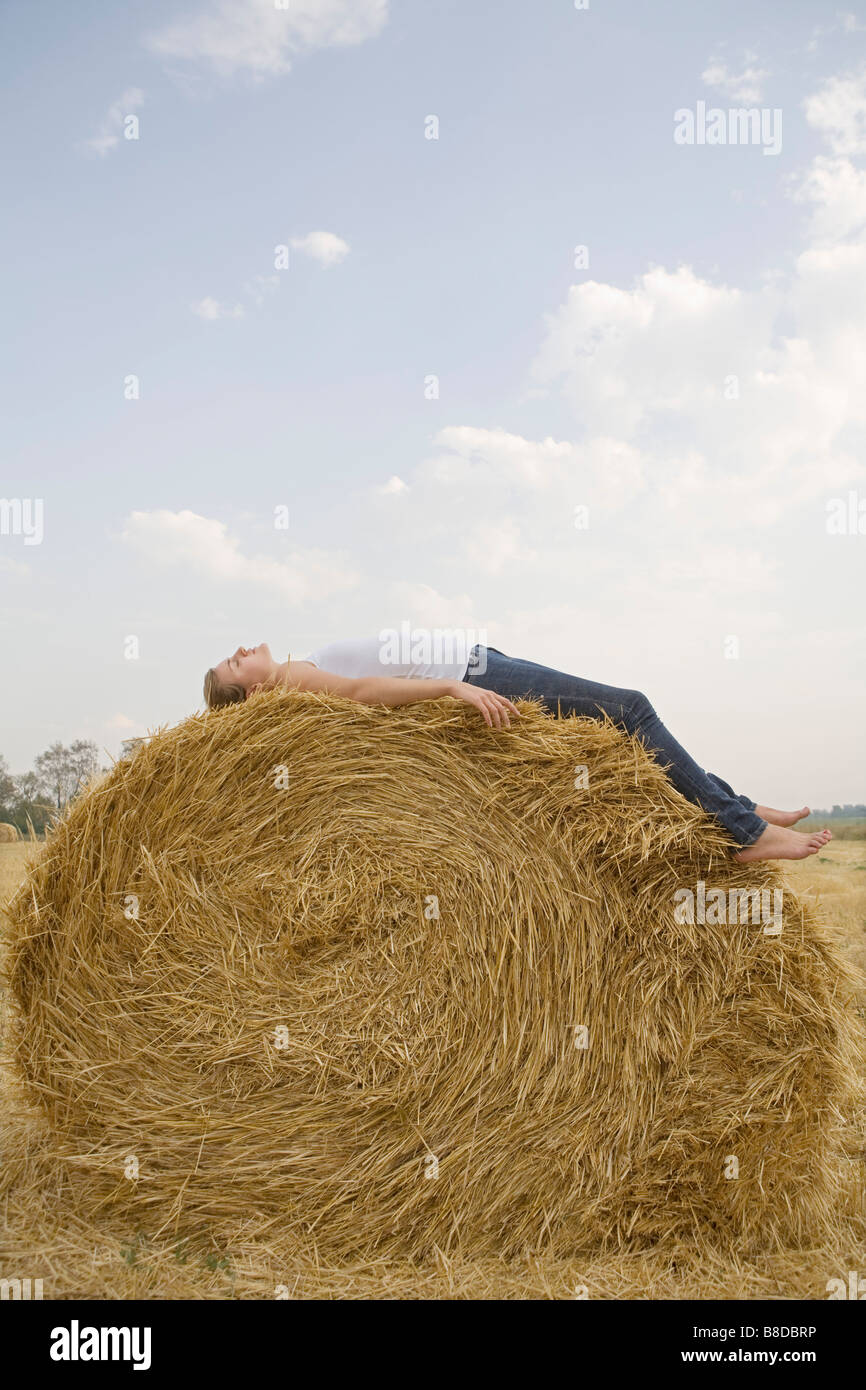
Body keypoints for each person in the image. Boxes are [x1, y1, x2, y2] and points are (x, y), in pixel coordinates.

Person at [202, 637, 831, 864]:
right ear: (253, 691)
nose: (239, 649)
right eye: (234, 665)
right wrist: (453, 685)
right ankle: (743, 830)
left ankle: (739, 806)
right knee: (629, 709)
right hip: (475, 674)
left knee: (611, 733)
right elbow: (366, 689)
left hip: (481, 661)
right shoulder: (295, 682)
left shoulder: (300, 667)